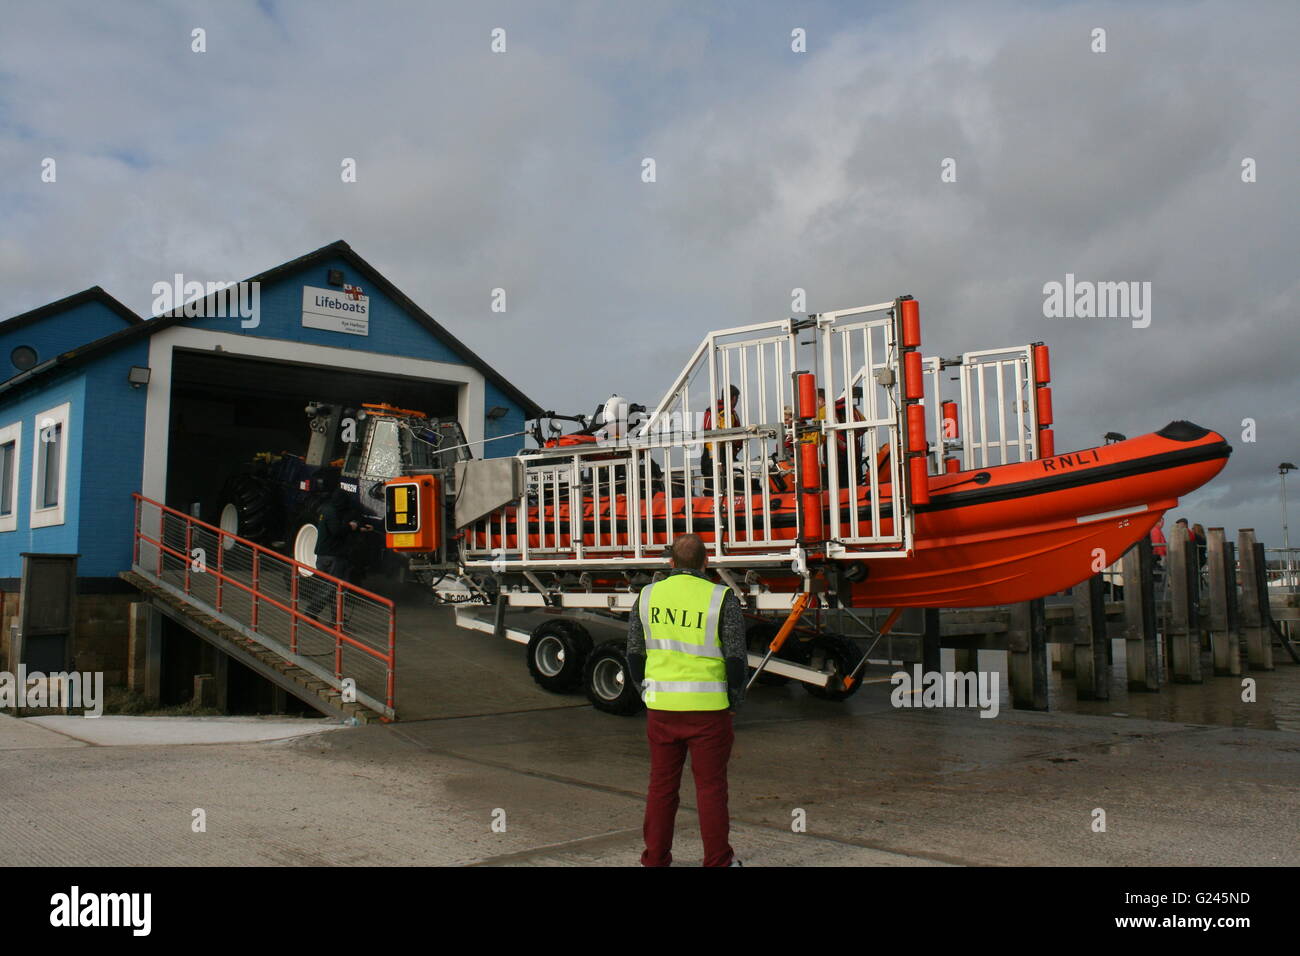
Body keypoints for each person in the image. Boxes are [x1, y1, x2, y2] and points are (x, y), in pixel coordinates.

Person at [626, 533, 747, 867]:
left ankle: (654, 860)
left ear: (671, 564)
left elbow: (634, 655)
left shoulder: (647, 596)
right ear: (706, 563)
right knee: (710, 789)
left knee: (661, 788)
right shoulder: (722, 597)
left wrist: (645, 692)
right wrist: (733, 702)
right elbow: (736, 660)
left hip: (662, 711)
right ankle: (718, 861)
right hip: (709, 713)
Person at [304, 473, 369, 622]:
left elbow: (339, 528)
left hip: (324, 555)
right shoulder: (334, 513)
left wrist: (358, 528)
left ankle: (337, 617)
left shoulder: (326, 509)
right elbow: (337, 531)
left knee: (334, 587)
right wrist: (352, 526)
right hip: (333, 556)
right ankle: (312, 611)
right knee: (333, 587)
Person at [699, 385, 741, 495]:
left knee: (712, 486)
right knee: (718, 487)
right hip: (717, 454)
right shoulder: (725, 413)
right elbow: (715, 438)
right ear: (734, 398)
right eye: (737, 399)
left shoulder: (712, 410)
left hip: (712, 455)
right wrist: (717, 461)